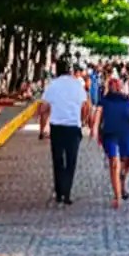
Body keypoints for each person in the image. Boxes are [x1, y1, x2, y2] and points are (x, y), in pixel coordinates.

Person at [40, 61, 91, 205]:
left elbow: (43, 108)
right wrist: (82, 120)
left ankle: (59, 192)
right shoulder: (77, 85)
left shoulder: (52, 85)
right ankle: (67, 192)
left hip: (57, 126)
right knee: (71, 161)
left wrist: (42, 128)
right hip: (73, 127)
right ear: (69, 70)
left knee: (57, 160)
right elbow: (85, 106)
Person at [94, 76, 129, 209]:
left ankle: (122, 179)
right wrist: (95, 130)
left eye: (115, 84)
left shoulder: (126, 101)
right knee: (114, 162)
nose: (114, 87)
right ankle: (117, 195)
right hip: (110, 134)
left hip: (126, 133)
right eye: (111, 85)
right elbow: (98, 116)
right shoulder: (104, 101)